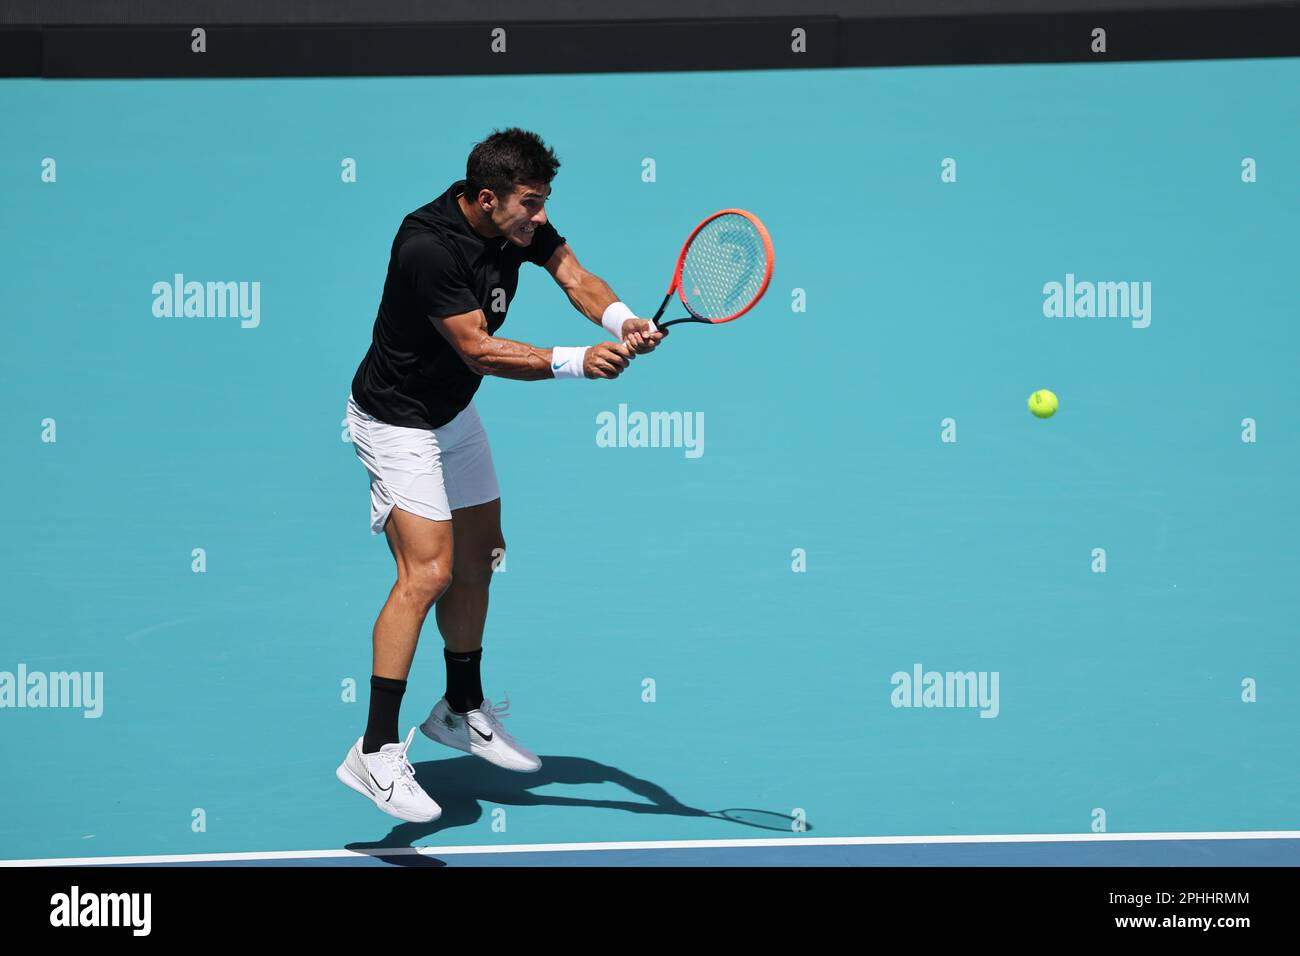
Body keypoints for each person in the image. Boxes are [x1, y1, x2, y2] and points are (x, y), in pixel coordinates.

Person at [335, 127, 665, 822]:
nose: (541, 218)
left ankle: (459, 709)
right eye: (531, 204)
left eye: (543, 202)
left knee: (481, 555)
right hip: (397, 421)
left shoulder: (517, 225)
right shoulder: (427, 248)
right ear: (487, 199)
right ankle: (373, 750)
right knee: (427, 572)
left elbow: (574, 275)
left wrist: (624, 318)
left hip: (450, 415)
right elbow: (479, 350)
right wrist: (578, 360)